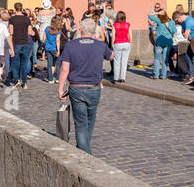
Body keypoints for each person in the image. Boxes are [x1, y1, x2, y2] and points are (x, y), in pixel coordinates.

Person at [59, 18, 113, 153]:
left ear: (80, 29)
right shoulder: (100, 45)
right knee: (89, 121)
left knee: (81, 123)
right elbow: (112, 56)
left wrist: (60, 88)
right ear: (94, 31)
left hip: (76, 87)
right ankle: (85, 151)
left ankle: (85, 153)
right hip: (94, 88)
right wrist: (100, 37)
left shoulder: (71, 45)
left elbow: (64, 69)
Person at [8, 1, 35, 88]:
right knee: (24, 63)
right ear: (22, 8)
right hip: (26, 42)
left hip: (16, 43)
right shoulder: (26, 19)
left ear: (15, 8)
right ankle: (25, 82)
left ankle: (17, 80)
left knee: (15, 63)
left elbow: (11, 32)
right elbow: (30, 32)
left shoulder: (12, 19)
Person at [152, 10, 176, 80]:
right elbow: (174, 31)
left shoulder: (159, 20)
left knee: (157, 59)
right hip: (168, 42)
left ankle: (156, 75)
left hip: (159, 42)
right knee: (165, 59)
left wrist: (157, 12)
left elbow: (149, 15)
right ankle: (163, 75)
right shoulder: (171, 21)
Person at [111, 10, 132, 83]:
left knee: (116, 61)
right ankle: (122, 78)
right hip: (126, 43)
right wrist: (130, 43)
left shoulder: (115, 25)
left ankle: (115, 78)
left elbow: (113, 36)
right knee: (124, 61)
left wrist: (112, 44)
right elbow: (130, 35)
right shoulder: (128, 24)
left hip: (117, 43)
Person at [43, 13, 63, 82]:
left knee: (49, 64)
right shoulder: (58, 31)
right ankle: (57, 79)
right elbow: (58, 41)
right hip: (54, 48)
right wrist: (58, 50)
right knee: (58, 64)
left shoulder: (47, 28)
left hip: (48, 48)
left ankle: (50, 79)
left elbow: (44, 39)